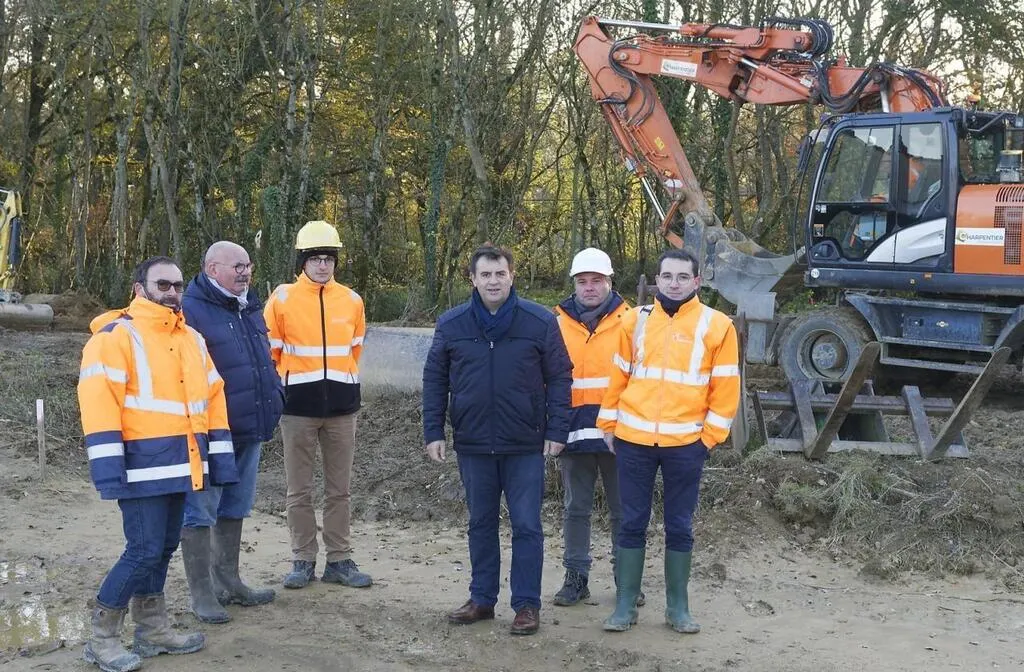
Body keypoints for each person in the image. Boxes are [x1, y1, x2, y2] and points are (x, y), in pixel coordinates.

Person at [78, 256, 238, 671]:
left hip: (180, 465)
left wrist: (217, 461)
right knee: (143, 551)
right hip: (138, 468)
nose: (171, 292)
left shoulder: (192, 339)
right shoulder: (115, 337)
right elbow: (99, 406)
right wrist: (109, 470)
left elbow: (213, 400)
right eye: (162, 284)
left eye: (178, 285)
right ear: (139, 288)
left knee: (164, 547)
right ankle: (101, 636)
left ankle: (151, 630)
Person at [422, 244, 572, 636]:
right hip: (473, 444)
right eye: (485, 274)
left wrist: (557, 430)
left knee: (526, 525)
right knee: (481, 523)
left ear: (512, 276)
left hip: (525, 443)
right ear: (472, 279)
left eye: (499, 273)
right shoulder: (451, 324)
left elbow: (559, 377)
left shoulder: (539, 322)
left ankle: (525, 605)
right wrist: (433, 430)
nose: (493, 281)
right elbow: (435, 381)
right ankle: (482, 599)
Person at [598, 248, 740, 634]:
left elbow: (726, 388)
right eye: (666, 277)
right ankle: (626, 605)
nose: (673, 284)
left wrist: (708, 439)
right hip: (633, 440)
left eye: (682, 277)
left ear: (696, 281)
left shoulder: (717, 325)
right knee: (632, 522)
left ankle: (678, 608)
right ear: (656, 280)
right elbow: (618, 376)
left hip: (686, 445)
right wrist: (608, 425)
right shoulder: (634, 321)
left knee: (679, 525)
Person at [264, 220, 372, 590]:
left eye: (329, 258)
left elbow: (355, 349)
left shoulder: (352, 300)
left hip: (342, 408)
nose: (323, 265)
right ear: (303, 261)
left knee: (339, 489)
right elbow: (271, 352)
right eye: (315, 258)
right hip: (297, 409)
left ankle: (339, 560)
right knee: (299, 490)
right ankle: (303, 559)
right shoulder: (281, 299)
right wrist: (285, 389)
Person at [179, 241, 283, 623]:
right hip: (209, 431)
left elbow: (262, 358)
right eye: (237, 266)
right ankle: (203, 593)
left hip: (249, 425)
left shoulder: (249, 306)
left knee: (236, 505)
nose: (245, 272)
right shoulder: (190, 310)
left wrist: (275, 394)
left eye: (248, 265)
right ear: (212, 268)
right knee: (201, 510)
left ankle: (229, 579)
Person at [551, 248, 637, 607]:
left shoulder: (633, 321)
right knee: (575, 509)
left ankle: (627, 579)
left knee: (625, 510)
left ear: (609, 281)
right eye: (582, 281)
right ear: (574, 284)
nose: (589, 288)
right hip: (572, 433)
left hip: (620, 435)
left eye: (596, 280)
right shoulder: (555, 323)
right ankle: (576, 578)